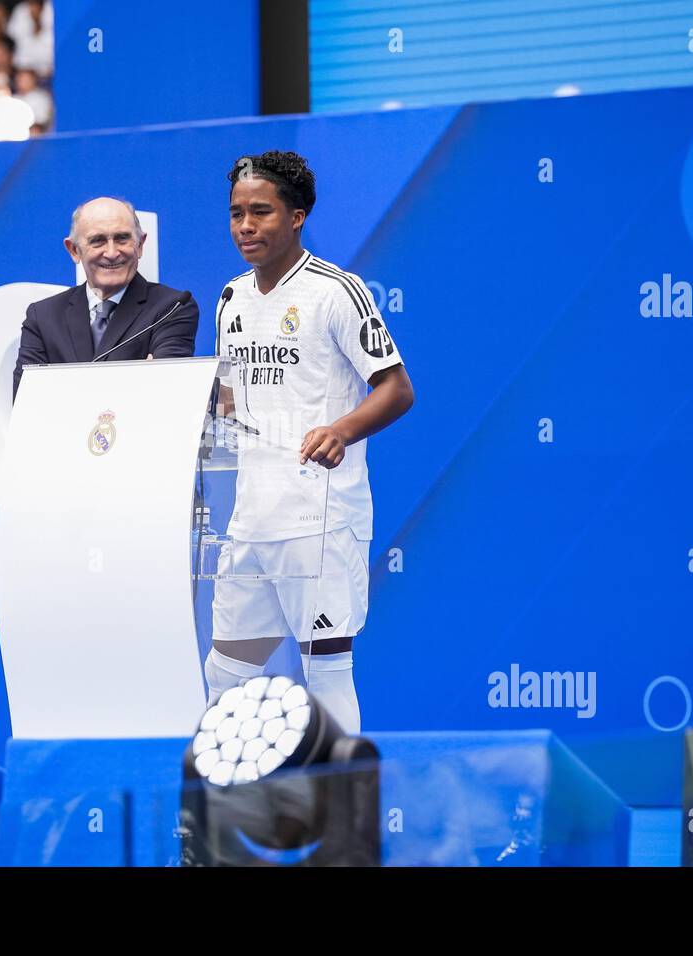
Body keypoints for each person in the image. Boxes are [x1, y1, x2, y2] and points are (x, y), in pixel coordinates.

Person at [205, 150, 414, 734]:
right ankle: (239, 803)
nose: (246, 226)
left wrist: (341, 430)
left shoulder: (336, 291)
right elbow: (233, 399)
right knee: (226, 672)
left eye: (261, 213)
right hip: (251, 518)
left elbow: (396, 389)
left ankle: (345, 813)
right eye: (236, 214)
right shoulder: (229, 299)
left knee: (325, 672)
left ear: (296, 217)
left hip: (320, 517)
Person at [13, 196, 199, 397]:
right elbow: (27, 405)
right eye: (97, 241)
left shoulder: (172, 308)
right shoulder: (43, 316)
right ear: (74, 250)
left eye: (122, 238)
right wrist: (138, 381)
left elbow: (164, 395)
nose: (111, 253)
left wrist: (63, 393)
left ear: (140, 244)